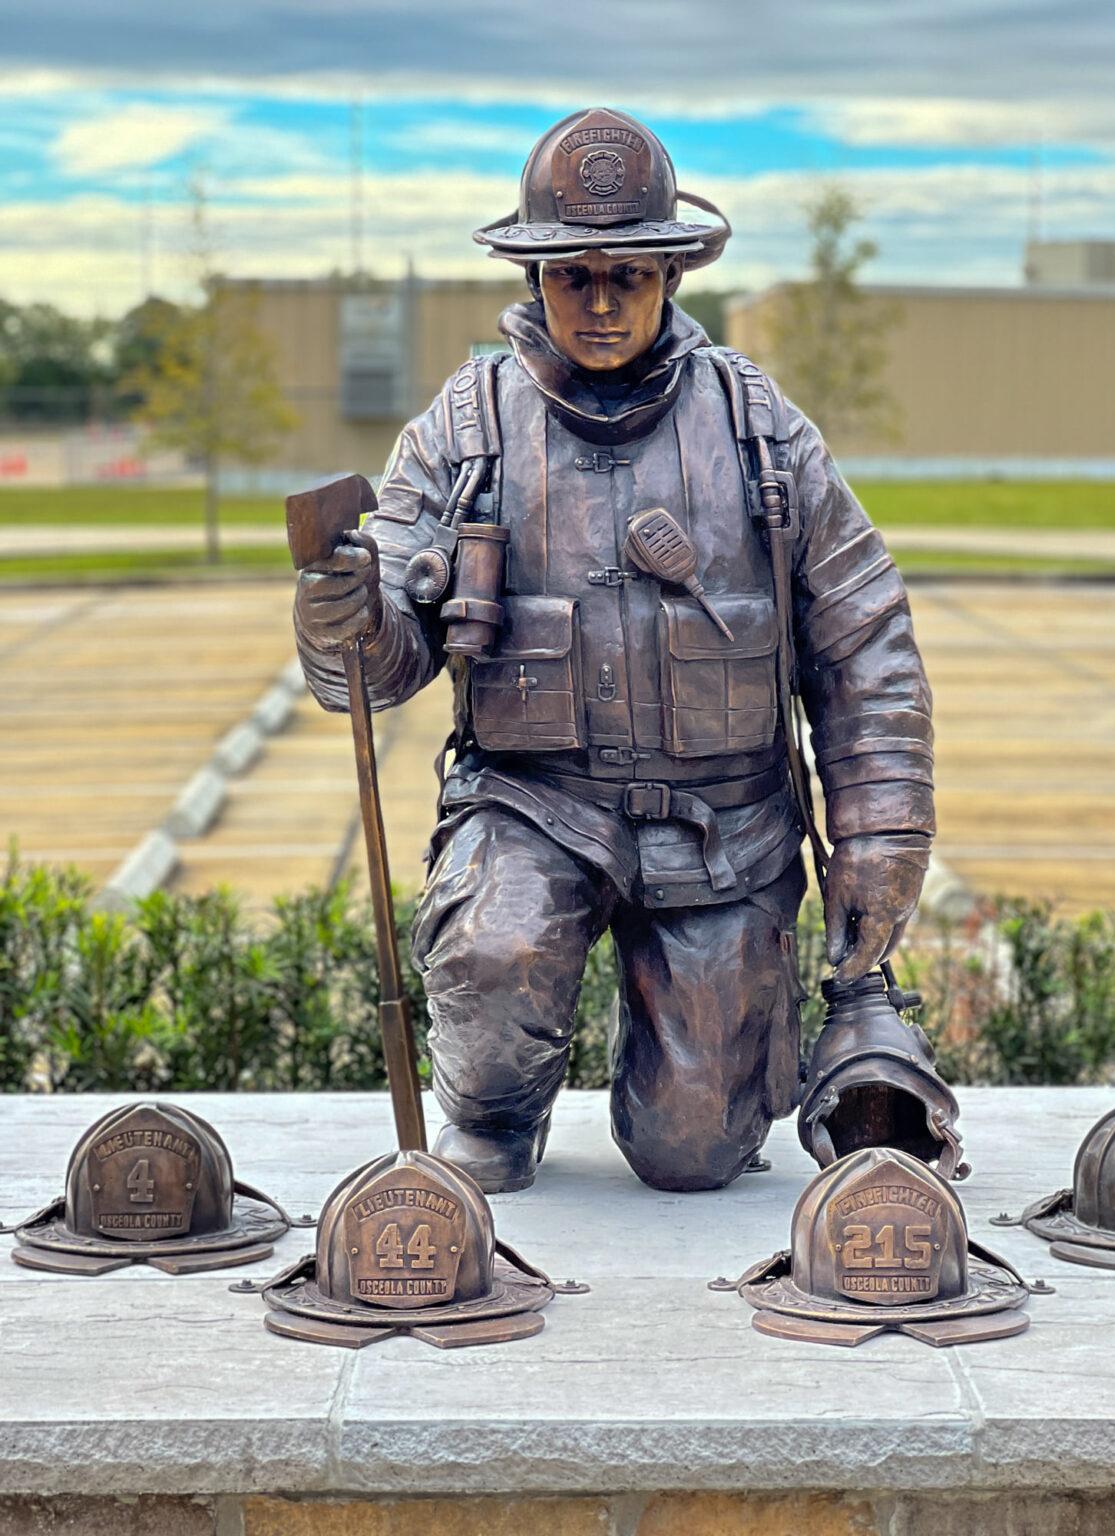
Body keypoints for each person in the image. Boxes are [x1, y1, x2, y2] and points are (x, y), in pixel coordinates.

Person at [293, 108, 936, 1194]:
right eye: (571, 276)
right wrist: (345, 613)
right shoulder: (464, 431)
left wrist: (882, 833)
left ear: (672, 276)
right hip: (531, 807)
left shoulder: (760, 432)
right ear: (532, 277)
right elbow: (386, 660)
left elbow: (862, 639)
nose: (598, 303)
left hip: (722, 830)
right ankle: (496, 1111)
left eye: (627, 275)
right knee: (497, 953)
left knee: (695, 1153)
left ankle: (691, 1077)